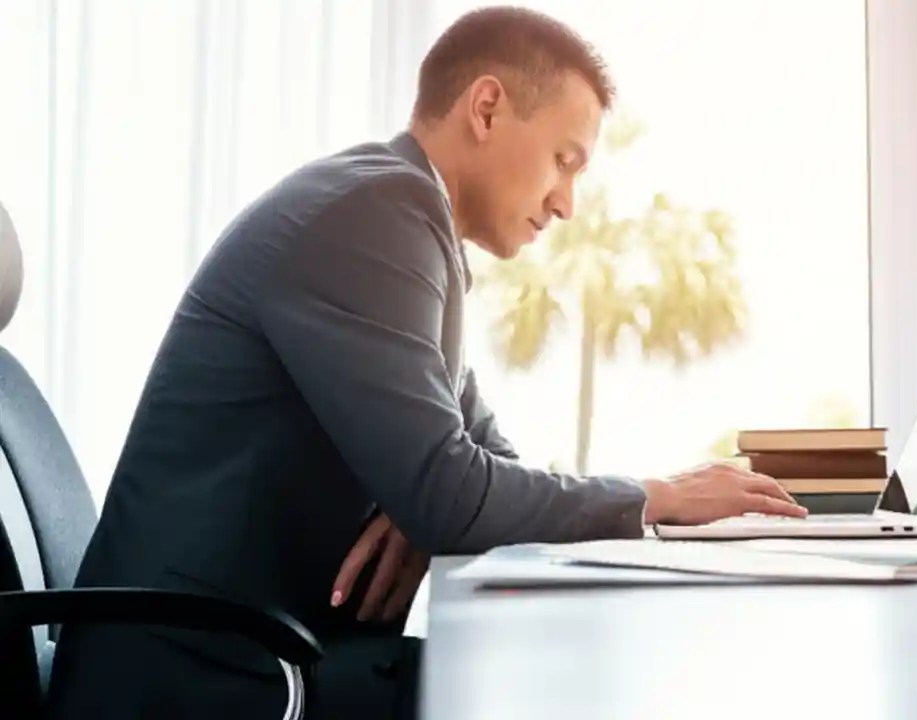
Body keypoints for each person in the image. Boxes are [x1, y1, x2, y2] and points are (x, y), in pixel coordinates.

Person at [47, 6, 806, 719]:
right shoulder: (375, 214)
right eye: (563, 160)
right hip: (204, 679)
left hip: (250, 653)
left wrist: (420, 506)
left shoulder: (405, 222)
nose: (568, 202)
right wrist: (657, 496)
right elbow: (453, 492)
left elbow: (474, 470)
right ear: (486, 108)